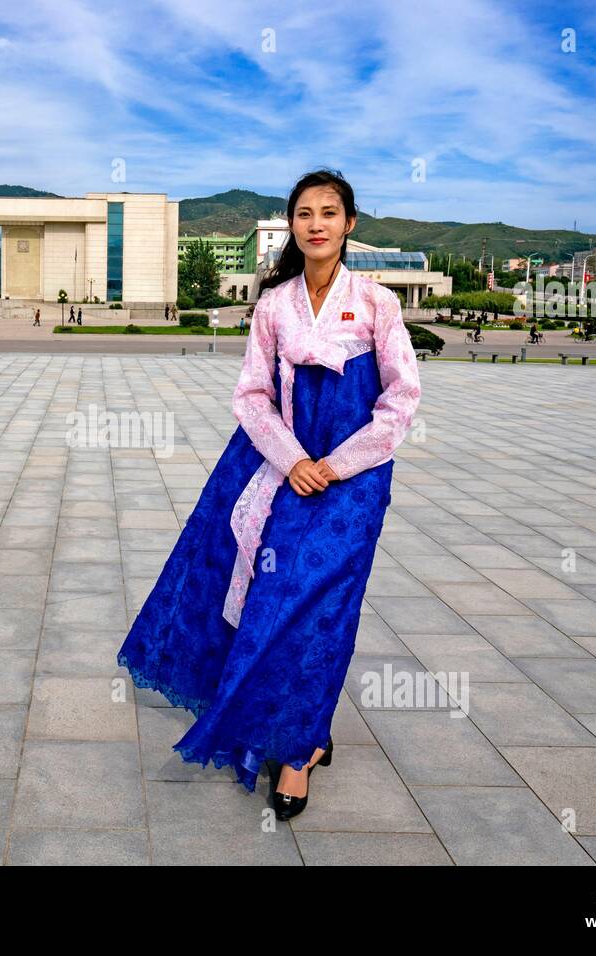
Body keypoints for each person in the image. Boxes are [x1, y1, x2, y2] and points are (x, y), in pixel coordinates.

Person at [117, 169, 421, 821]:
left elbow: (401, 399)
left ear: (349, 224)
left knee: (321, 610)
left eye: (329, 212)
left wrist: (335, 466)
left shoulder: (376, 304)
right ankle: (295, 727)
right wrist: (293, 460)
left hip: (352, 482)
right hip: (280, 469)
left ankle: (296, 752)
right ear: (294, 225)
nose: (316, 223)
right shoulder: (276, 306)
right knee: (265, 600)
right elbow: (251, 395)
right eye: (304, 213)